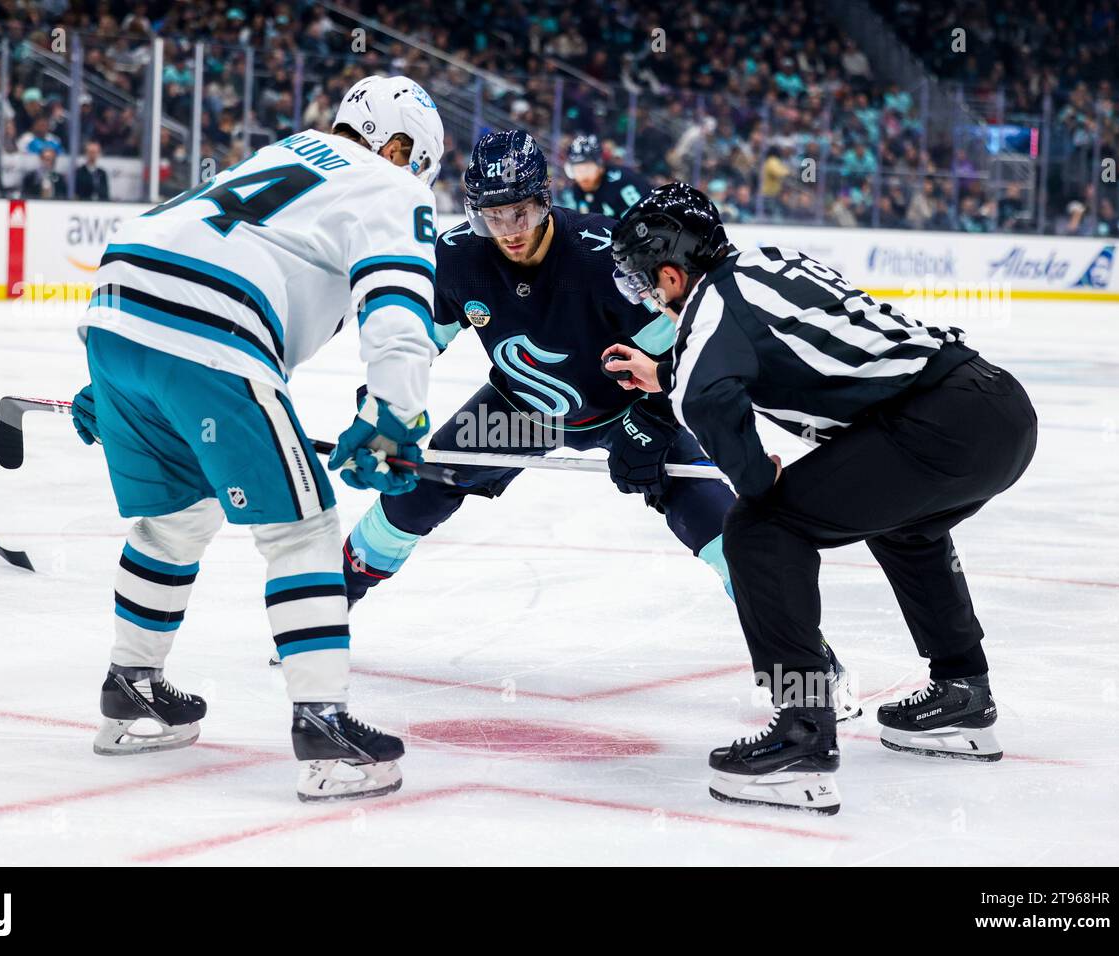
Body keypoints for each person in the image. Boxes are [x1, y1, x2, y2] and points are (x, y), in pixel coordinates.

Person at [335, 131, 858, 714]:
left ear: (545, 198)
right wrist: (383, 409)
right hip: (520, 411)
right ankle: (327, 607)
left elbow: (680, 360)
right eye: (492, 217)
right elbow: (412, 347)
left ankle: (805, 665)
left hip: (627, 406)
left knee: (721, 531)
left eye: (523, 211)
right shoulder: (456, 256)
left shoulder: (606, 256)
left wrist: (652, 426)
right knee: (415, 495)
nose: (508, 229)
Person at [72, 75, 446, 802]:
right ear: (399, 146)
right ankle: (324, 729)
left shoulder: (278, 155)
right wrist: (397, 420)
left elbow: (171, 248)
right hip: (210, 334)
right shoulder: (388, 184)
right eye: (416, 161)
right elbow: (397, 309)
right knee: (303, 530)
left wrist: (116, 380)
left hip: (117, 314)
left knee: (178, 517)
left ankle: (132, 687)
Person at [606, 183, 1037, 814]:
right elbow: (775, 348)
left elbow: (719, 415)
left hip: (936, 429)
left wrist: (757, 480)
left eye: (643, 283)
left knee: (758, 529)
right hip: (995, 407)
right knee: (907, 527)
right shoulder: (767, 261)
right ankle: (963, 693)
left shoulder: (704, 316)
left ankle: (803, 733)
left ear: (670, 274)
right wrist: (670, 373)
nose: (644, 296)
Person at [556, 133, 650, 218]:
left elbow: (647, 214)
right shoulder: (578, 190)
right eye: (577, 169)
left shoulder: (622, 180)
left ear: (600, 166)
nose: (582, 176)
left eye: (587, 168)